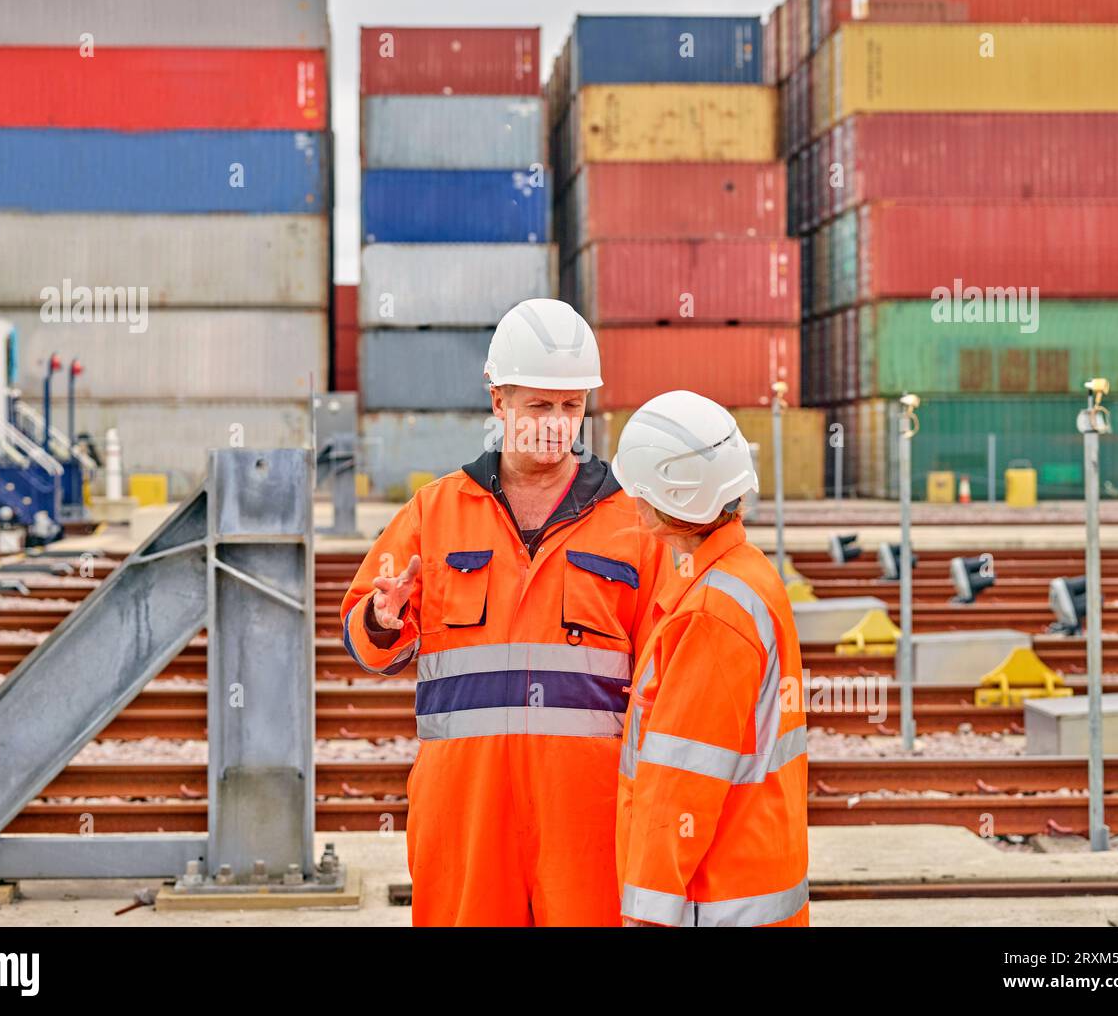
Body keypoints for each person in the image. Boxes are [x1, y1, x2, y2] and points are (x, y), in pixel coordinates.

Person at [339, 298, 675, 926]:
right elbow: (362, 637)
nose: (555, 423)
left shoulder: (631, 524)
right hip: (465, 815)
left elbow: (667, 668)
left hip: (587, 817)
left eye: (570, 406)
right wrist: (384, 619)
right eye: (538, 406)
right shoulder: (434, 512)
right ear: (499, 402)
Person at [610, 390, 809, 927]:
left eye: (639, 491)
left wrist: (646, 915)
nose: (634, 503)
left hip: (714, 902)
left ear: (664, 498)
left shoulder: (711, 615)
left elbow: (681, 781)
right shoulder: (747, 575)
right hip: (752, 882)